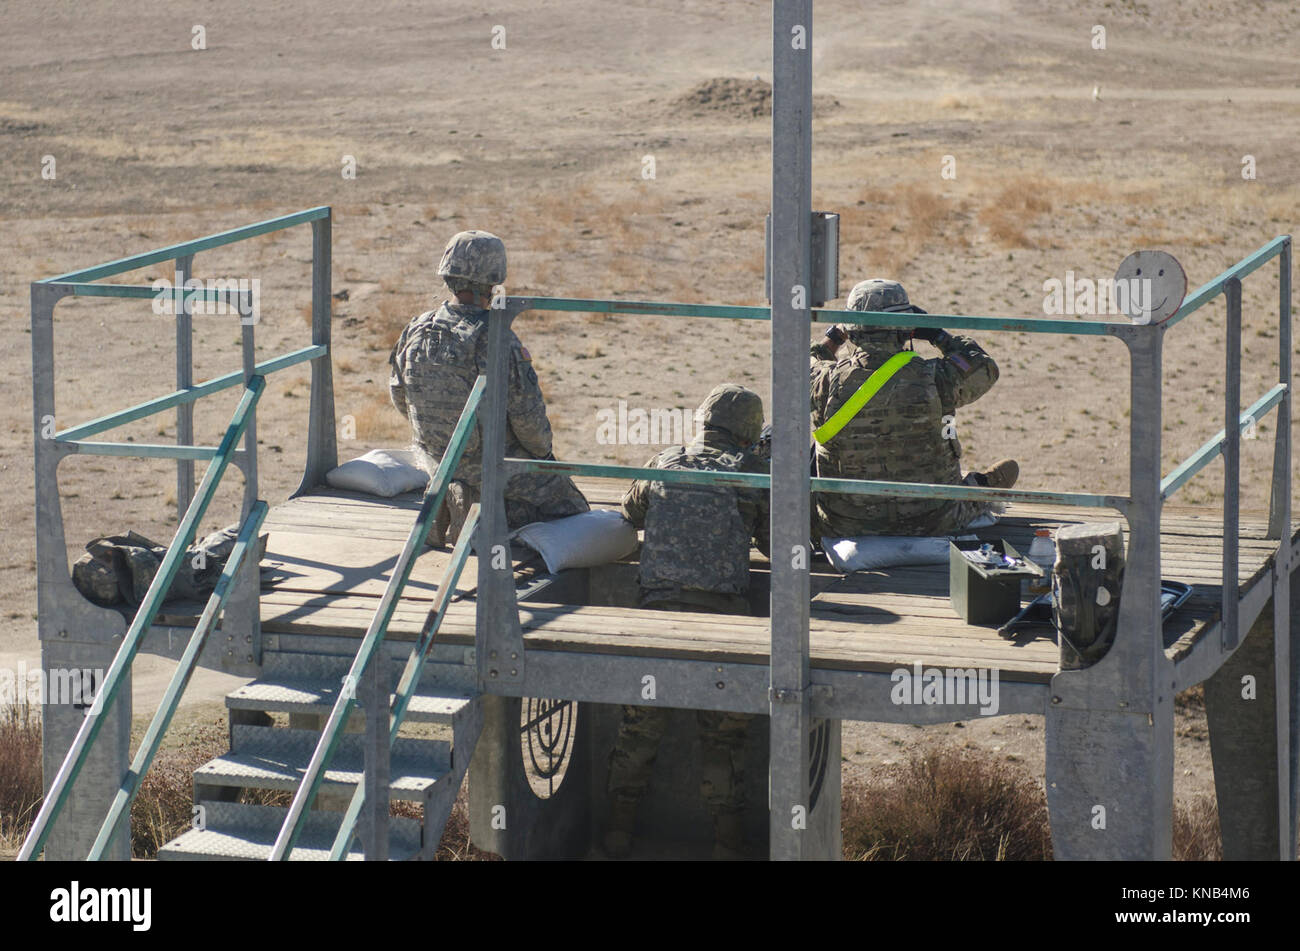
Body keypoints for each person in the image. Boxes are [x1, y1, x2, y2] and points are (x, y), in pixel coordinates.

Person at [604, 384, 770, 859]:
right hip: (722, 623)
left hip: (657, 617)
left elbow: (629, 511)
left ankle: (617, 834)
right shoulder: (752, 471)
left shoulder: (664, 461)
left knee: (637, 729)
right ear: (748, 432)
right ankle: (728, 843)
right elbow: (780, 543)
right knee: (723, 738)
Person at [389, 230, 588, 543]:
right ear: (494, 280)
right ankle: (478, 514)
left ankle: (453, 493)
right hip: (490, 465)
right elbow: (530, 425)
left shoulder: (416, 328)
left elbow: (400, 397)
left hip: (436, 462)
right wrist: (544, 458)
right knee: (569, 505)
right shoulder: (497, 338)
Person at [809, 278, 1017, 538]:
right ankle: (977, 487)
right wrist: (936, 334)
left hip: (845, 522)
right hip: (934, 519)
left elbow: (803, 363)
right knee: (1008, 471)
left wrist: (833, 338)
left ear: (852, 330)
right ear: (908, 329)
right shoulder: (938, 376)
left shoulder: (824, 380)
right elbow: (984, 367)